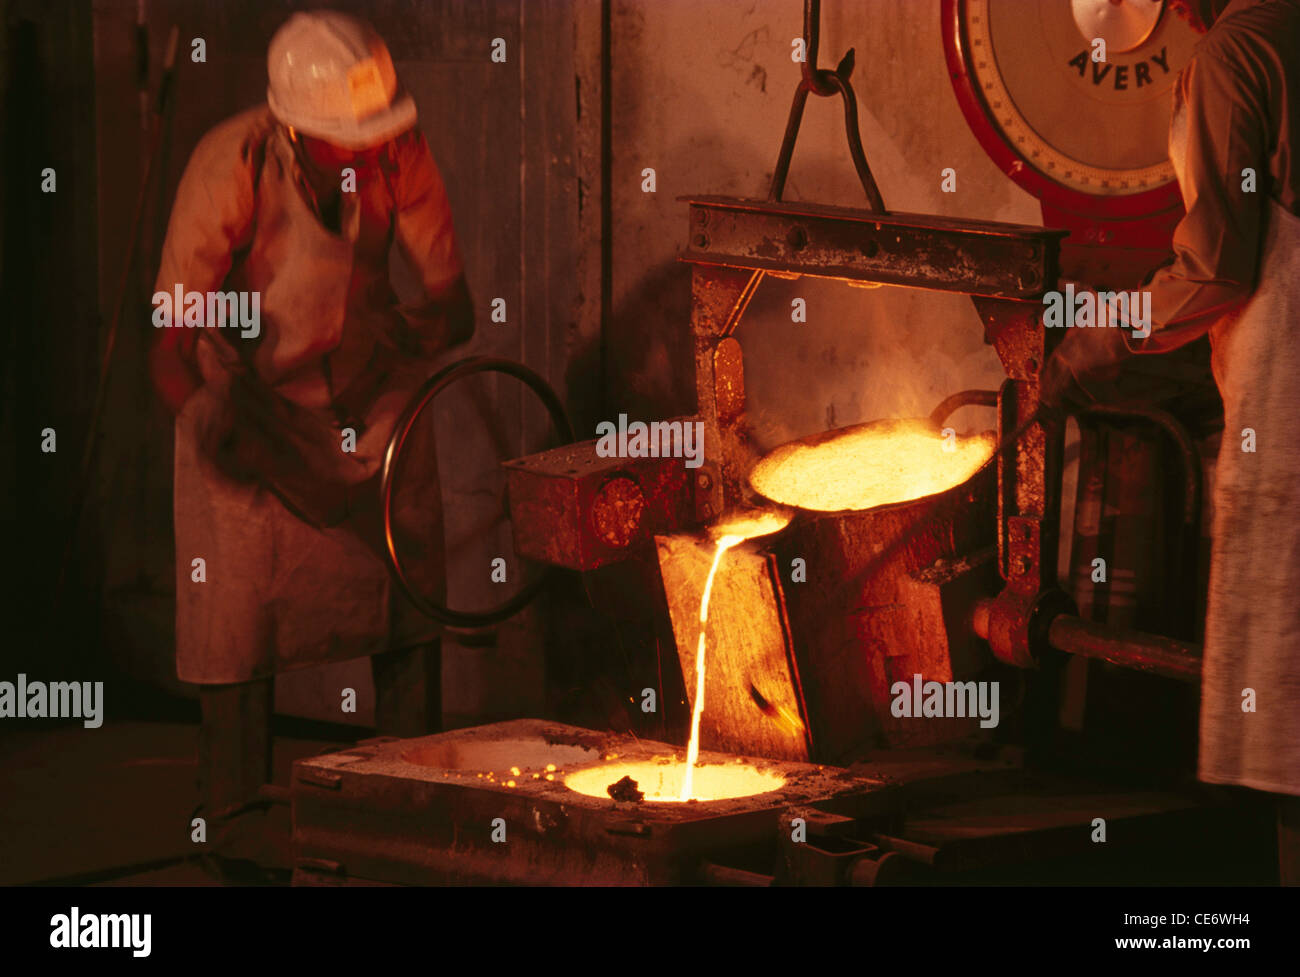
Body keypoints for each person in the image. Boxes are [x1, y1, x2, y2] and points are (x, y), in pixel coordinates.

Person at [149, 10, 472, 866]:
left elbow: (454, 308)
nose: (364, 156)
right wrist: (214, 419)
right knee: (239, 622)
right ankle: (235, 829)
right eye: (343, 143)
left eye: (376, 138)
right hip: (249, 402)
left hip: (359, 393)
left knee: (404, 595)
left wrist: (403, 360)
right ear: (294, 128)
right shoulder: (234, 162)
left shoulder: (397, 152)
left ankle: (413, 820)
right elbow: (169, 348)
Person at [1041, 0, 1299, 880]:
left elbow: (1222, 261)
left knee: (1288, 699)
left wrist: (1102, 340)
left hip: (1290, 380)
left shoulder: (1237, 51)